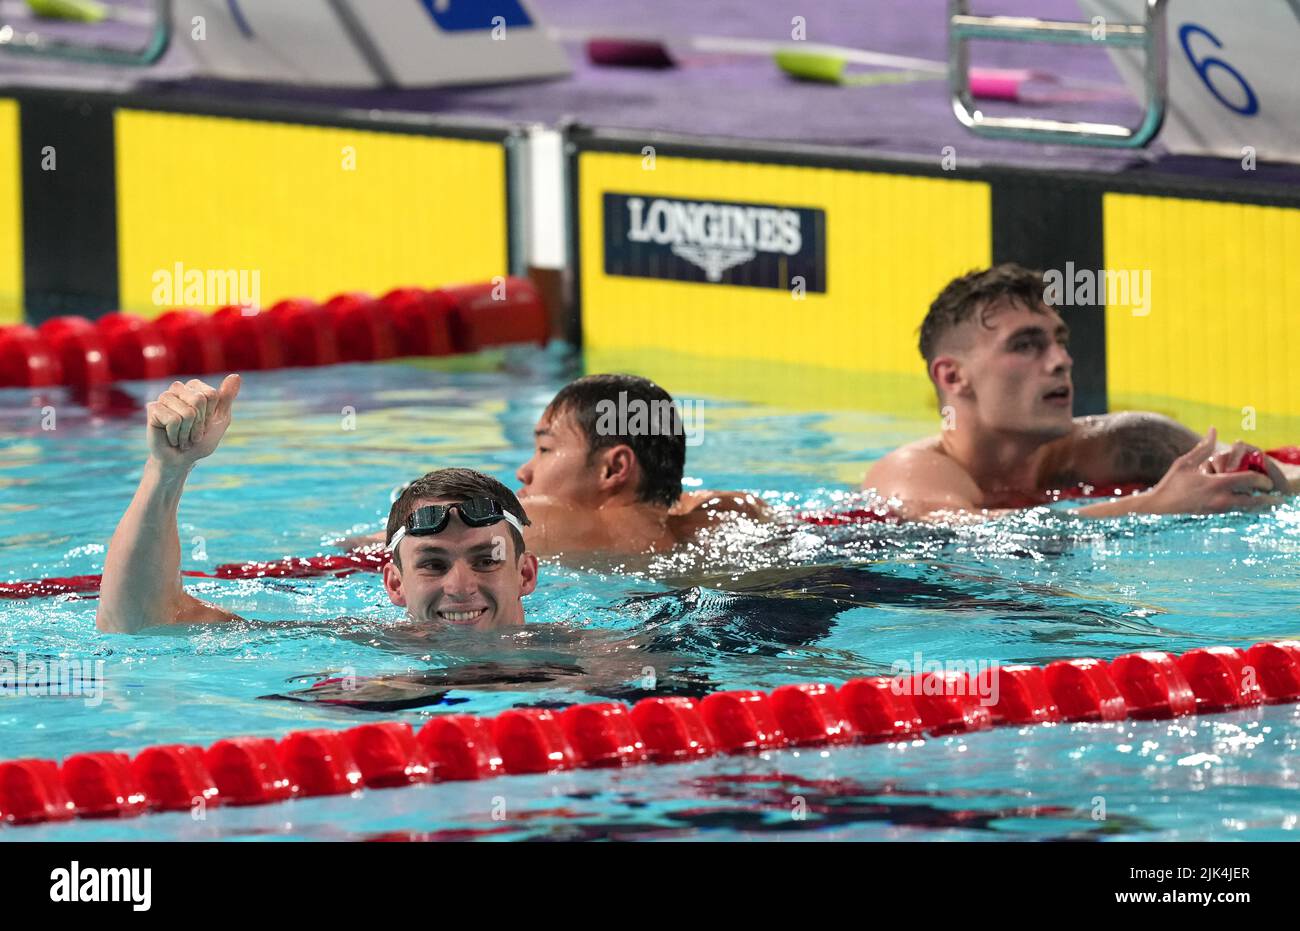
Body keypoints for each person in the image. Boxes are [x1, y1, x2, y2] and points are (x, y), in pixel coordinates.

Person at [95, 375, 537, 634]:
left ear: (525, 573)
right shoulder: (353, 649)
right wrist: (168, 469)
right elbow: (139, 622)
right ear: (394, 585)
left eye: (486, 560)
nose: (460, 586)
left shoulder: (594, 657)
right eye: (433, 565)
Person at [863, 264, 1297, 519]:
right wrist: (1151, 507)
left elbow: (1281, 480)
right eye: (1027, 345)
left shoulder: (1124, 443)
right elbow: (973, 545)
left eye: (1060, 342)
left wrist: (1255, 476)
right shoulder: (911, 474)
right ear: (953, 377)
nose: (1060, 361)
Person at [344, 373, 768, 558]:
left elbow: (390, 547)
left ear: (613, 468)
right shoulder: (730, 509)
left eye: (545, 450)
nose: (525, 472)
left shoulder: (550, 521)